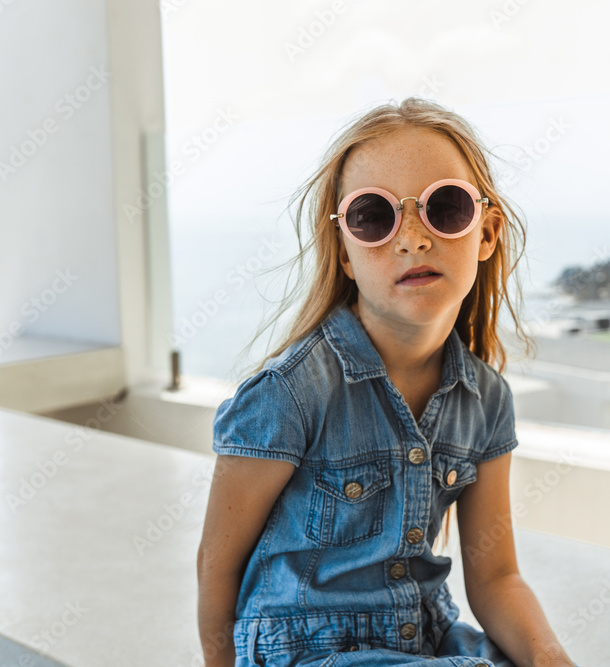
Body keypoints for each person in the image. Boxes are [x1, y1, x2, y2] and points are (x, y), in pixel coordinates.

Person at [197, 96, 578, 667]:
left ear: (487, 233)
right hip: (307, 652)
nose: (412, 239)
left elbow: (497, 577)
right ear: (346, 254)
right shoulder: (290, 394)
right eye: (374, 217)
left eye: (444, 209)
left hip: (426, 641)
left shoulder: (487, 400)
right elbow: (218, 565)